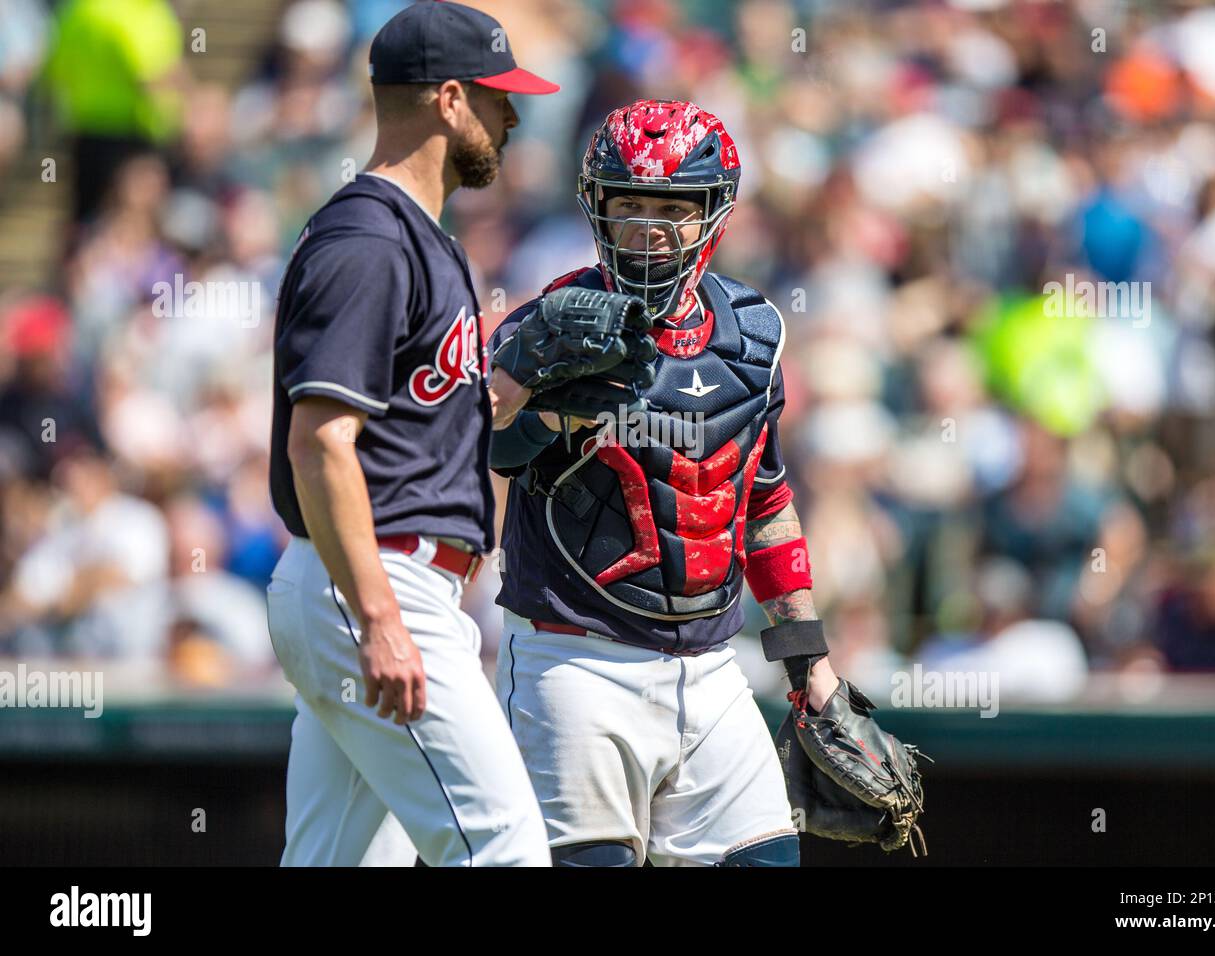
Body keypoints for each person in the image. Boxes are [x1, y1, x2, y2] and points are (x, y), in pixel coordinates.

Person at [484, 100, 852, 867]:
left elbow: (765, 501)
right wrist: (545, 412)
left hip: (713, 666)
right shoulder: (545, 326)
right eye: (631, 206)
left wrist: (808, 663)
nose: (650, 228)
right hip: (575, 660)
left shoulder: (754, 334)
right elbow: (485, 447)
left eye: (672, 208)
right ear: (597, 208)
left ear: (712, 214)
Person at [264, 1, 558, 867]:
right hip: (374, 579)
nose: (514, 117)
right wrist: (379, 618)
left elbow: (418, 425)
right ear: (451, 99)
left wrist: (521, 381)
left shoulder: (416, 239)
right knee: (505, 849)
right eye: (501, 99)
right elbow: (319, 442)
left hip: (374, 581)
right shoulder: (370, 240)